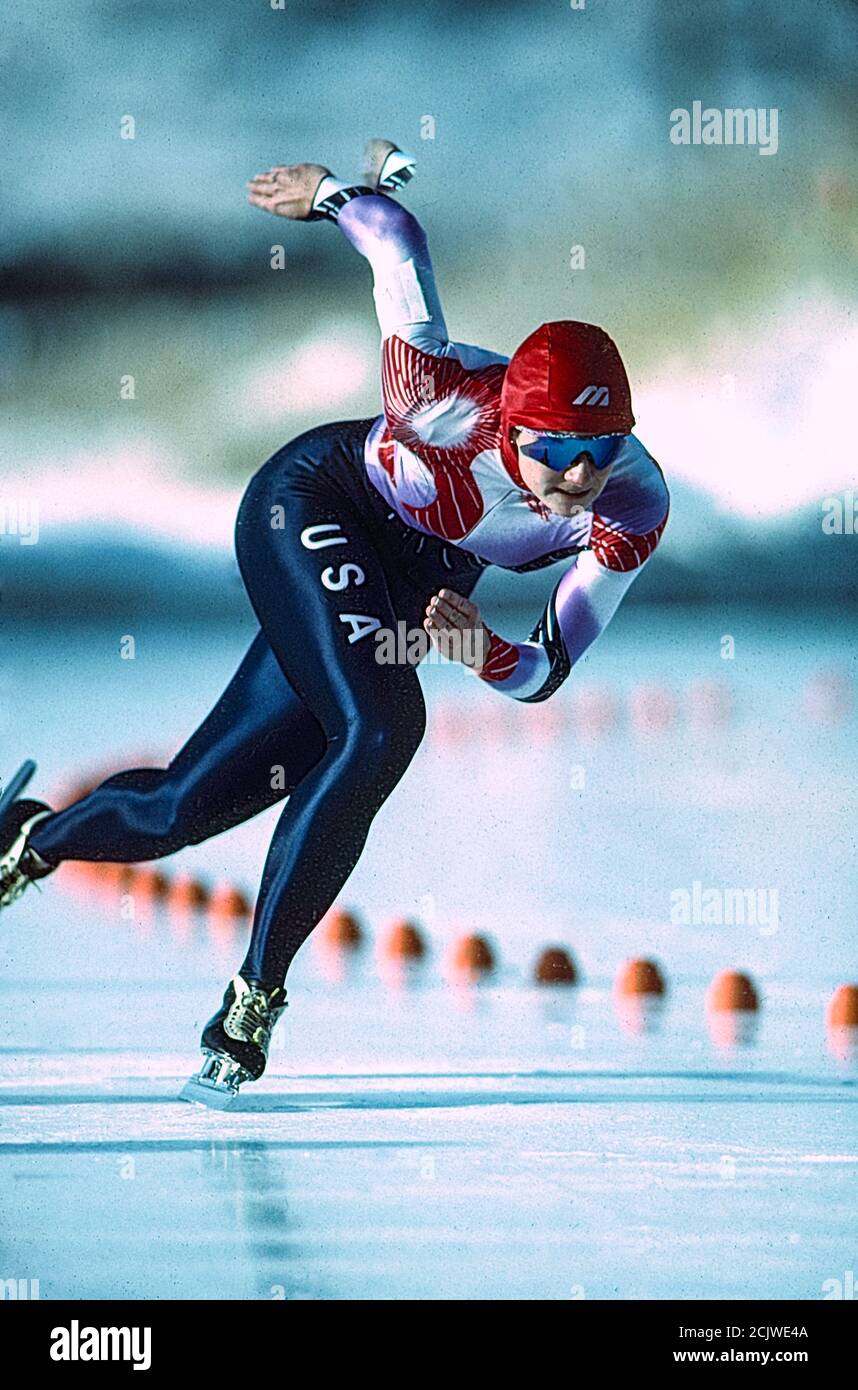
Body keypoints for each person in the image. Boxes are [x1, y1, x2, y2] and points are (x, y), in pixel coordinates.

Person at [0, 141, 669, 1103]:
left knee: (179, 811)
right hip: (312, 505)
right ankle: (252, 1001)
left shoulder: (635, 507)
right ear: (510, 426)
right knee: (388, 723)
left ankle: (31, 840)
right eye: (553, 448)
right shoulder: (437, 399)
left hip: (406, 586)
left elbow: (551, 665)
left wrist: (490, 657)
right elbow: (397, 243)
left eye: (600, 449)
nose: (577, 476)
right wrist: (331, 194)